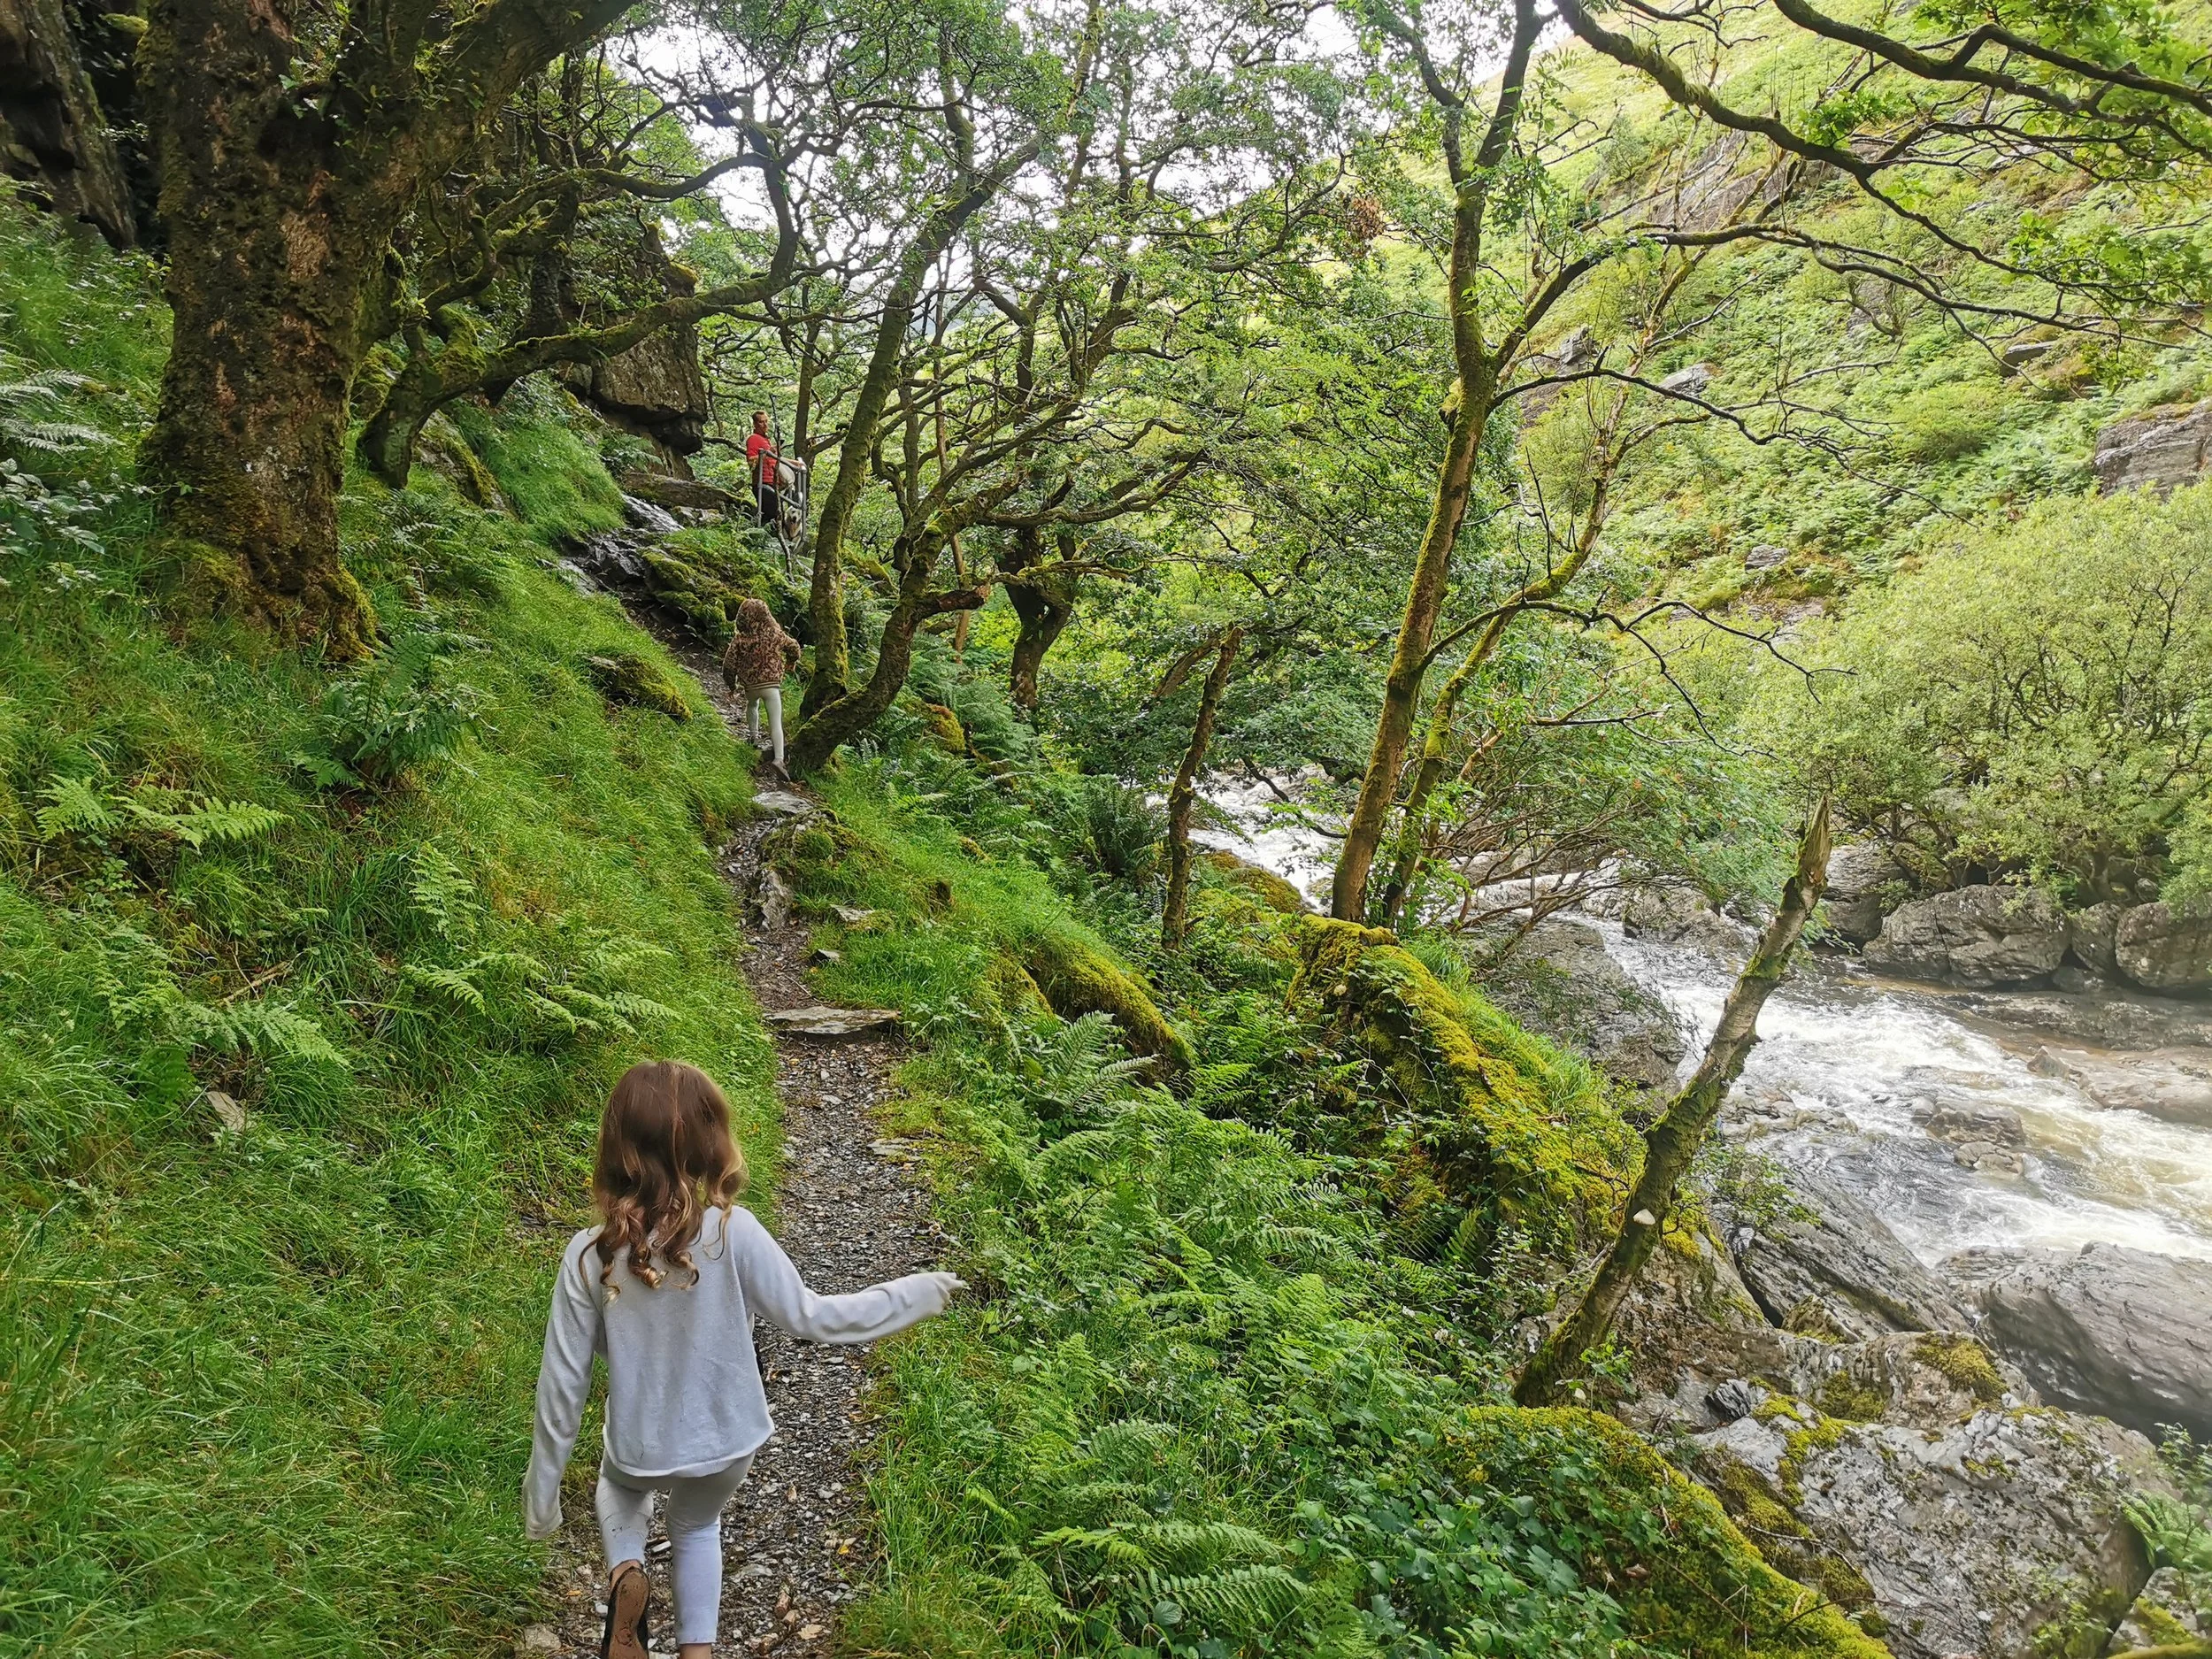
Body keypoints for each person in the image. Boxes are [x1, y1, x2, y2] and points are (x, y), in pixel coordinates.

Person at [524, 1061, 962, 1659]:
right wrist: (914, 1293)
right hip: (729, 1440)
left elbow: (561, 1388)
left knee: (619, 1490)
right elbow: (815, 1317)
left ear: (617, 1147)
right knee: (697, 1525)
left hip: (642, 1447)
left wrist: (541, 1499)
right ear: (710, 1143)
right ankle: (697, 1652)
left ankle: (627, 1570)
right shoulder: (734, 1232)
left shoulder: (589, 1255)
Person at [720, 597, 801, 773]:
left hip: (750, 685)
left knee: (752, 705)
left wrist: (731, 685)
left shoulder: (740, 639)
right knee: (775, 722)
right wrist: (791, 663)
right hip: (771, 685)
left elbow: (729, 664)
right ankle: (779, 759)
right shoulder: (775, 634)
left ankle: (754, 737)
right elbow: (794, 646)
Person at [745, 410, 779, 528]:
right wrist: (767, 453)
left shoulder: (766, 440)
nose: (765, 425)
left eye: (766, 421)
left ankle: (760, 537)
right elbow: (751, 461)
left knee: (772, 515)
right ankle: (757, 536)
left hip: (773, 483)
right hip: (762, 483)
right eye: (761, 422)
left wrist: (797, 463)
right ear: (755, 424)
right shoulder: (753, 439)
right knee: (772, 512)